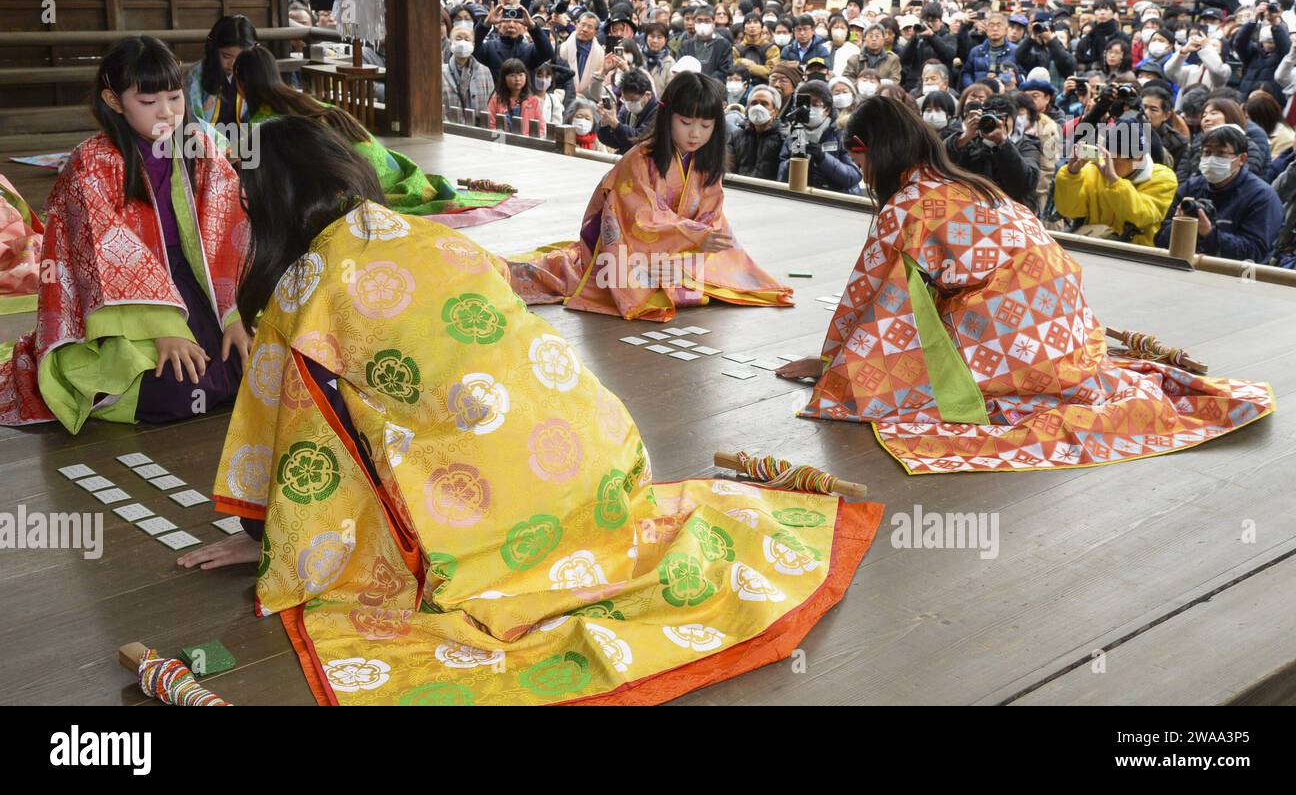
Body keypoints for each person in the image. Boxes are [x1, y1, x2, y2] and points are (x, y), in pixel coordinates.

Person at [186, 114, 877, 705]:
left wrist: (263, 538)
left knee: (347, 429)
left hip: (493, 514)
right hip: (601, 458)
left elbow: (298, 436)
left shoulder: (304, 289)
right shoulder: (426, 233)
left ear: (264, 202)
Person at [773, 97, 1273, 474]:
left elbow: (869, 292)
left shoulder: (908, 203)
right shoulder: (966, 183)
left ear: (874, 153)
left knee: (891, 346)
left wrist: (834, 365)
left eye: (859, 158)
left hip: (1010, 334)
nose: (860, 170)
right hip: (1066, 326)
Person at [0, 36, 248, 432]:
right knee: (179, 389)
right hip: (122, 306)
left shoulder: (199, 145)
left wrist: (235, 312)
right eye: (148, 103)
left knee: (248, 363)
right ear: (114, 101)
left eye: (174, 98)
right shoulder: (92, 161)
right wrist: (162, 328)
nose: (166, 113)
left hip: (197, 281)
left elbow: (230, 229)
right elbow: (102, 260)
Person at [504, 71, 794, 321]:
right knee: (647, 284)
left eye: (706, 126)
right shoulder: (640, 159)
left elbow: (711, 213)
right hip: (625, 246)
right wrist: (692, 234)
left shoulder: (706, 163)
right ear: (668, 116)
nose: (696, 134)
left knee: (713, 277)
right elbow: (637, 217)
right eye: (686, 122)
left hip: (676, 250)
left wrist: (702, 237)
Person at [234, 46, 461, 215]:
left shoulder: (263, 122)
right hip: (385, 169)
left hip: (362, 181)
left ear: (241, 81)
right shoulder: (302, 100)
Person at [1155, 124, 1284, 262]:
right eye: (1207, 152)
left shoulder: (1261, 196)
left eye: (1221, 153)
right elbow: (1159, 240)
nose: (1212, 159)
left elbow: (1254, 253)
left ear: (1241, 159)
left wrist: (1209, 233)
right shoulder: (1191, 187)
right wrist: (1179, 225)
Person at [1053, 118, 1178, 245]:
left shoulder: (1164, 178)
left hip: (1135, 254)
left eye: (1115, 159)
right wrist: (1072, 175)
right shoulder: (1094, 169)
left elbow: (1140, 215)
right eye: (1107, 155)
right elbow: (1068, 210)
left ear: (1138, 157)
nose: (1109, 163)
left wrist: (1114, 181)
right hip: (1092, 247)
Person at [943, 93, 1039, 209]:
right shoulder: (970, 141)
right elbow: (941, 163)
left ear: (1013, 120)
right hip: (972, 213)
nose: (998, 123)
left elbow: (1025, 185)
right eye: (992, 117)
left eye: (1002, 118)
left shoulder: (1026, 145)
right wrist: (964, 137)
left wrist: (1003, 144)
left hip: (1012, 215)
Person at [777, 80, 862, 195]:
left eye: (815, 104)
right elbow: (781, 178)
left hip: (837, 200)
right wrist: (794, 160)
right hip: (802, 198)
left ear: (827, 109)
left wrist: (823, 158)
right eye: (805, 105)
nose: (809, 109)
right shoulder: (794, 134)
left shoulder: (842, 134)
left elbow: (853, 177)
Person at [185, 13, 257, 129]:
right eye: (226, 56)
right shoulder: (195, 76)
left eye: (240, 57)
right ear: (213, 49)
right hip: (208, 142)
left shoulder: (253, 71)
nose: (233, 64)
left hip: (247, 140)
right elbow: (194, 120)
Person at [473, 1, 555, 81]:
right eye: (507, 20)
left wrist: (533, 27)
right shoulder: (489, 48)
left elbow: (547, 53)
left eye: (516, 21)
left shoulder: (530, 50)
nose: (511, 25)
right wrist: (486, 24)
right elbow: (473, 48)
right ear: (498, 25)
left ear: (524, 26)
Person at [727, 84, 783, 180]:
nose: (758, 107)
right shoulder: (736, 136)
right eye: (754, 103)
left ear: (775, 111)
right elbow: (728, 169)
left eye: (764, 103)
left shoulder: (783, 138)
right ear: (748, 108)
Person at [596, 68, 657, 153]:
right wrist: (605, 123)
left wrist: (615, 124)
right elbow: (614, 141)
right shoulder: (626, 107)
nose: (629, 103)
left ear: (647, 95)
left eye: (633, 100)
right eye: (625, 99)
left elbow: (639, 140)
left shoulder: (658, 112)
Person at [1234, 6, 1289, 98]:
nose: (1268, 44)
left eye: (1271, 41)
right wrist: (1254, 19)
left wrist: (1274, 23)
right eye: (1266, 40)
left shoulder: (1282, 56)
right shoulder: (1253, 53)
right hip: (1245, 99)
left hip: (1269, 102)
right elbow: (1240, 42)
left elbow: (1285, 46)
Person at [442, 22, 495, 117]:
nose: (462, 43)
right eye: (458, 39)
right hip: (449, 128)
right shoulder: (440, 72)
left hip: (479, 127)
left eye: (467, 39)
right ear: (450, 43)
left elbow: (491, 102)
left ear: (473, 45)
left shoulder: (484, 71)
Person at [486, 58, 547, 137]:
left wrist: (527, 139)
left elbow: (541, 128)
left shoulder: (533, 101)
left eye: (521, 75)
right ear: (504, 78)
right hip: (502, 143)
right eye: (512, 75)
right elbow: (490, 125)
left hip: (527, 145)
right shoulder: (496, 100)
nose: (517, 79)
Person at [960, 12, 1020, 90]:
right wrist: (972, 87)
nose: (995, 29)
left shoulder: (1015, 51)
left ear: (1006, 30)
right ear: (986, 29)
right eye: (991, 25)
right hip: (980, 93)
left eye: (999, 25)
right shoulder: (976, 51)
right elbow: (966, 73)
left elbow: (1021, 75)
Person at [558, 11, 606, 100]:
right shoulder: (562, 49)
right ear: (576, 25)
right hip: (564, 98)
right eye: (582, 25)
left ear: (596, 32)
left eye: (589, 27)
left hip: (589, 100)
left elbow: (598, 84)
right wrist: (572, 93)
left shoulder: (600, 54)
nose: (584, 29)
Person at [679, 6, 733, 82]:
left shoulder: (724, 44)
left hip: (715, 88)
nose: (703, 24)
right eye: (699, 21)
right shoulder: (686, 45)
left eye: (707, 21)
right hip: (691, 86)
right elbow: (681, 68)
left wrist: (707, 82)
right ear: (695, 23)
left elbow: (725, 70)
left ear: (713, 23)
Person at [1075, 0, 1131, 71]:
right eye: (1098, 9)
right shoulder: (1088, 38)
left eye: (1106, 9)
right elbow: (1078, 63)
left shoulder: (1123, 37)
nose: (1102, 13)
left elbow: (1128, 62)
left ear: (1114, 12)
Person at [1245, 88, 1294, 159]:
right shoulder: (1252, 132)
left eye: (1251, 119)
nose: (1248, 122)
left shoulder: (1286, 139)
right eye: (1246, 118)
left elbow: (1273, 167)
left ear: (1263, 118)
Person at [641, 21, 675, 94]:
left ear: (665, 40)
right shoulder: (638, 57)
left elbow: (671, 89)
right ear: (646, 37)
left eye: (659, 37)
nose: (655, 41)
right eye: (652, 36)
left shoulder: (670, 62)